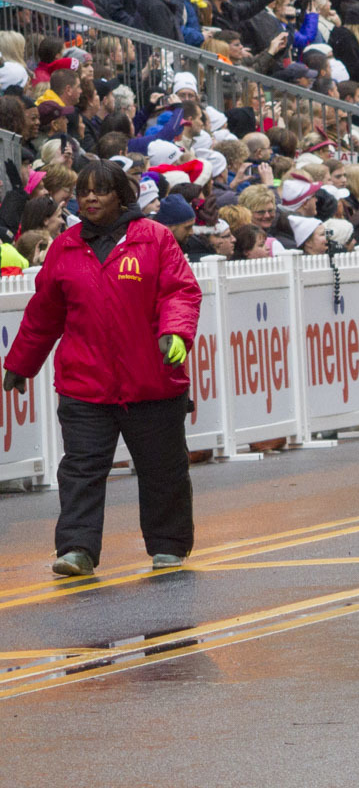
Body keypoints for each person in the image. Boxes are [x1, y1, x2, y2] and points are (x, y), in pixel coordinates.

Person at [2, 161, 203, 577]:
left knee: (162, 469)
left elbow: (180, 292)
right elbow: (44, 314)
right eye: (84, 192)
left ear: (121, 196)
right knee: (80, 470)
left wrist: (176, 334)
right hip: (85, 384)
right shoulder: (65, 246)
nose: (90, 198)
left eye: (100, 191)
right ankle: (77, 548)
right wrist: (21, 363)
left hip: (152, 383)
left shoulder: (156, 238)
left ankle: (167, 546)